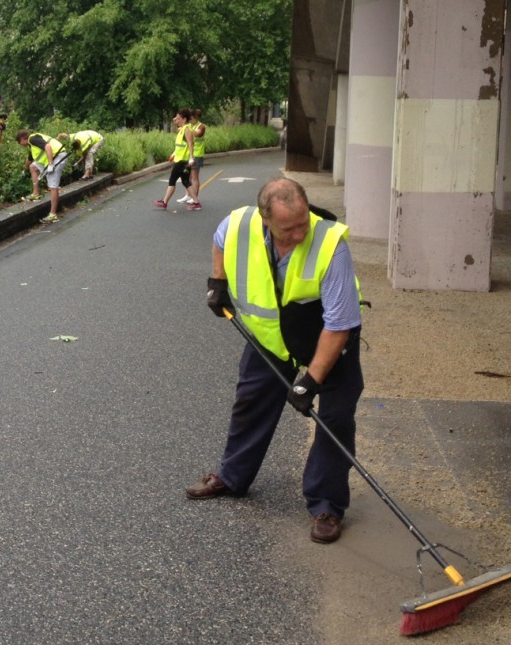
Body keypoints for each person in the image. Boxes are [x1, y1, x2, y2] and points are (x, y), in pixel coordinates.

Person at [188, 177, 364, 546]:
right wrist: (217, 281)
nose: (300, 233)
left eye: (303, 223)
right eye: (289, 228)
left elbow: (339, 324)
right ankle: (232, 476)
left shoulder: (331, 244)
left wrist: (310, 380)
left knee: (334, 417)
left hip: (326, 336)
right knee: (251, 399)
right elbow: (220, 241)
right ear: (265, 219)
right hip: (270, 337)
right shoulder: (238, 225)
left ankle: (327, 504)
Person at [16, 130, 69, 222]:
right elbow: (30, 159)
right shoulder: (31, 145)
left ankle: (52, 214)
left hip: (57, 157)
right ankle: (36, 194)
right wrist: (23, 169)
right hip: (54, 157)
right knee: (33, 167)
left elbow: (47, 147)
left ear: (21, 138)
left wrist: (50, 164)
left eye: (19, 142)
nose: (21, 145)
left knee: (53, 186)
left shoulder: (32, 139)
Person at [153, 108, 198, 210]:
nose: (176, 120)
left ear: (184, 119)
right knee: (185, 181)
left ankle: (164, 202)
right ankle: (196, 202)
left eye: (178, 118)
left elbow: (191, 143)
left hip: (182, 161)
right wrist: (174, 153)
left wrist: (191, 158)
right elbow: (181, 144)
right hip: (182, 159)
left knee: (172, 180)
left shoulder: (186, 129)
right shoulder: (183, 129)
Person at [178, 109, 206, 205]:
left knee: (194, 177)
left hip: (197, 155)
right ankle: (188, 195)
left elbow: (197, 133)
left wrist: (187, 129)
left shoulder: (201, 126)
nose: (190, 120)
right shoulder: (189, 126)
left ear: (196, 118)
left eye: (192, 118)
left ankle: (195, 196)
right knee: (188, 177)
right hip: (189, 154)